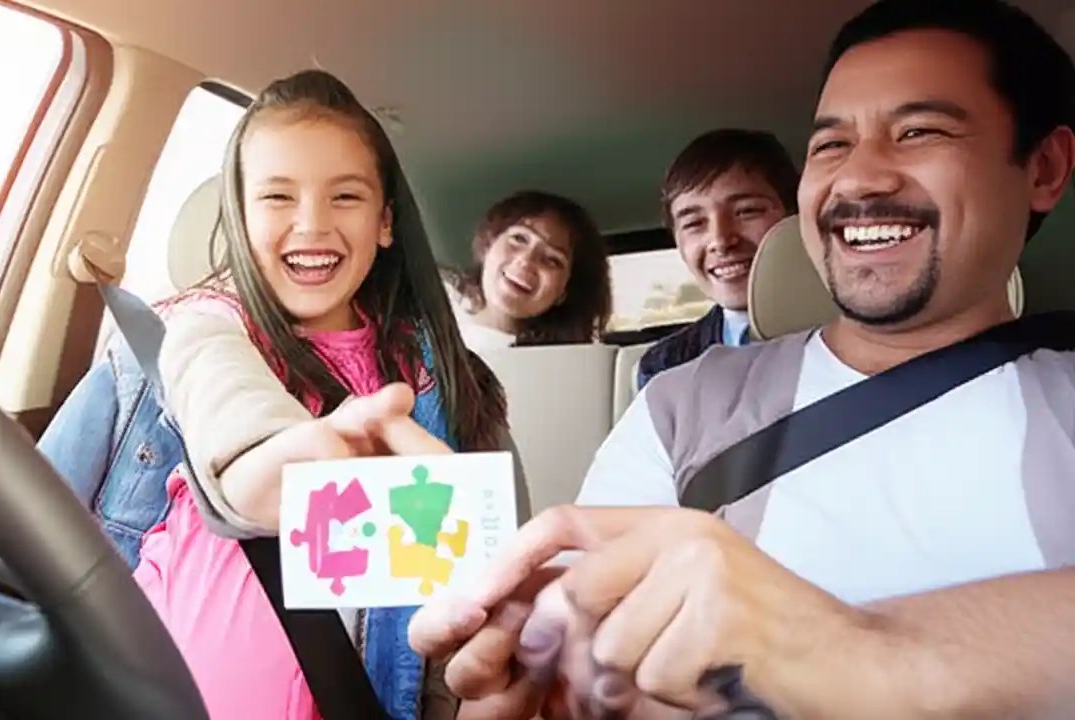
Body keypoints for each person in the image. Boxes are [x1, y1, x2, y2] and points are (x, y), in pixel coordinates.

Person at [407, 0, 1075, 717]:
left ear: (1042, 168)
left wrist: (841, 647)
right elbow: (580, 659)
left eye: (919, 131)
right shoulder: (681, 404)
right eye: (830, 146)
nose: (858, 180)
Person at [128, 69, 529, 720]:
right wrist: (277, 457)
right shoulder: (200, 327)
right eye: (278, 197)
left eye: (345, 197)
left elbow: (486, 586)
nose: (311, 224)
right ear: (238, 215)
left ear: (385, 223)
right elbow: (223, 391)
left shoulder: (445, 382)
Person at [635, 129, 799, 390]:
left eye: (746, 211)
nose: (721, 240)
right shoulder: (665, 367)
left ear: (795, 217)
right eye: (694, 223)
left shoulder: (863, 339)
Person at [443, 190, 611, 353]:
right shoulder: (431, 328)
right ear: (488, 244)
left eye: (552, 259)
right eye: (519, 239)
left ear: (564, 291)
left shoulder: (564, 367)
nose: (526, 261)